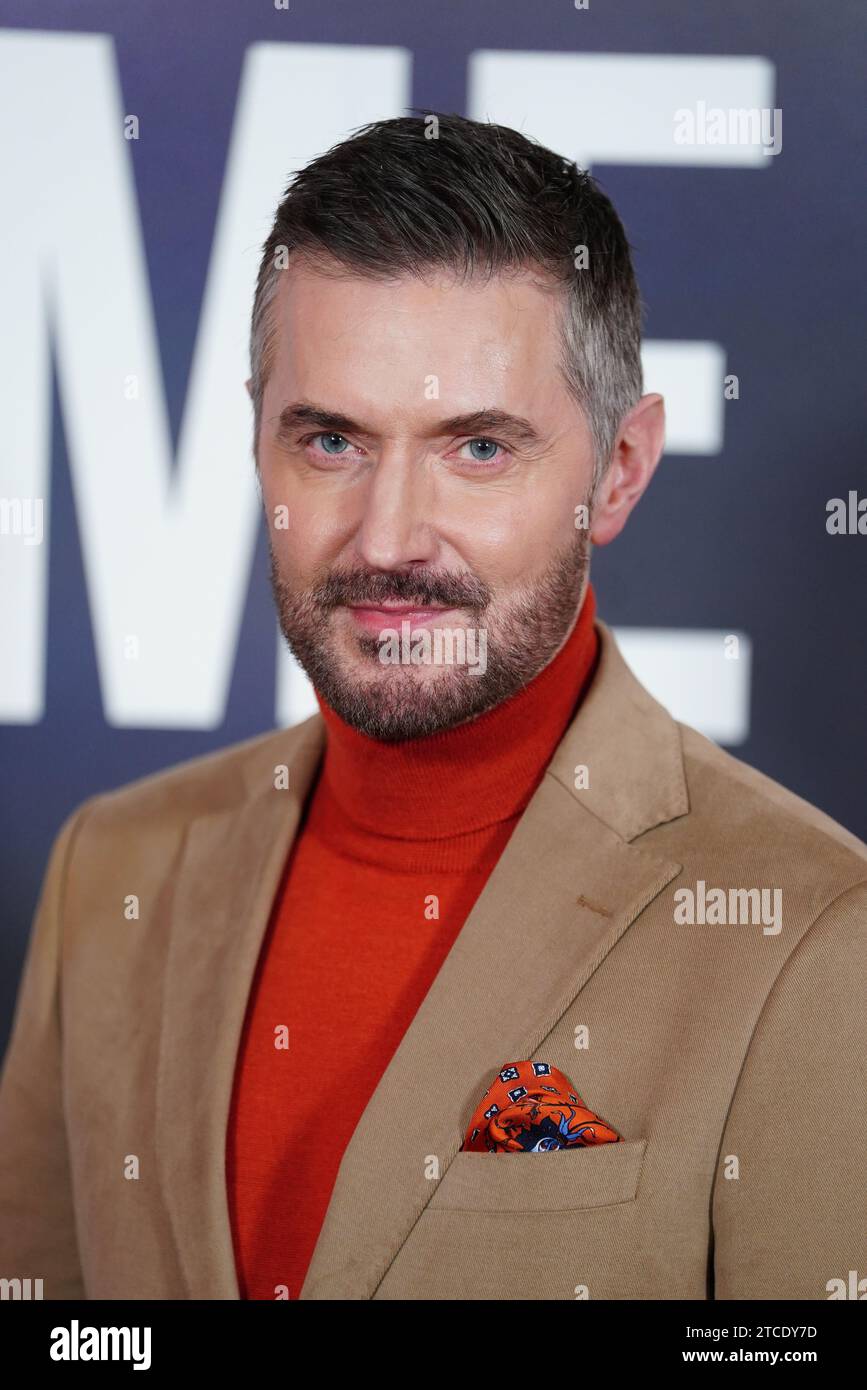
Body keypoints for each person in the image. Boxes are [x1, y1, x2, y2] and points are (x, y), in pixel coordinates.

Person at [1, 113, 864, 1302]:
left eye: (478, 448)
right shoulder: (111, 866)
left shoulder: (816, 936)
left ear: (619, 469)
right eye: (331, 439)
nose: (390, 538)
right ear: (258, 441)